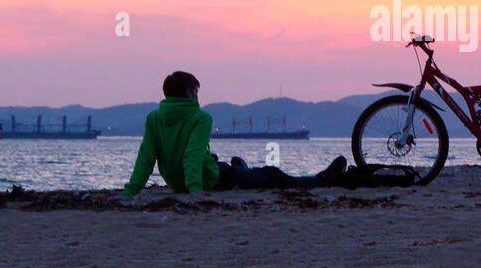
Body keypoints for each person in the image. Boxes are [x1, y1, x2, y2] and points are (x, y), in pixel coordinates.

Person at [121, 71, 346, 200]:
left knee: (226, 166)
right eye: (197, 92)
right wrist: (195, 190)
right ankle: (323, 178)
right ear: (189, 92)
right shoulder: (200, 117)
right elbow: (192, 155)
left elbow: (146, 158)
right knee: (273, 175)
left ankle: (240, 168)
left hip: (183, 181)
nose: (198, 97)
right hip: (210, 180)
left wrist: (131, 191)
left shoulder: (153, 117)